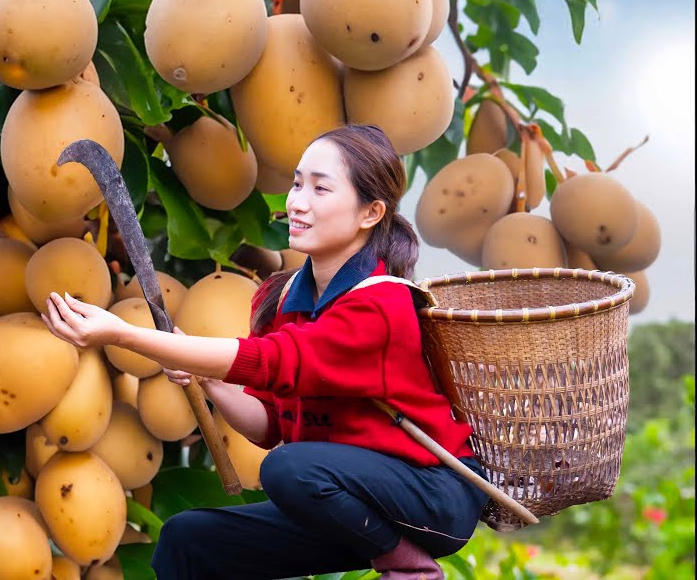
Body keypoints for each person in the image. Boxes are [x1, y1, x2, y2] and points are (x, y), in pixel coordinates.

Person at [41, 125, 489, 579]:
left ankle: (408, 568)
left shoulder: (380, 304)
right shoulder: (287, 297)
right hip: (351, 508)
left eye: (320, 188)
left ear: (370, 213)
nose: (297, 202)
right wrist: (209, 382)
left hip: (432, 498)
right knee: (187, 539)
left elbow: (275, 362)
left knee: (288, 469)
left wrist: (124, 336)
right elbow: (270, 425)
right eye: (297, 184)